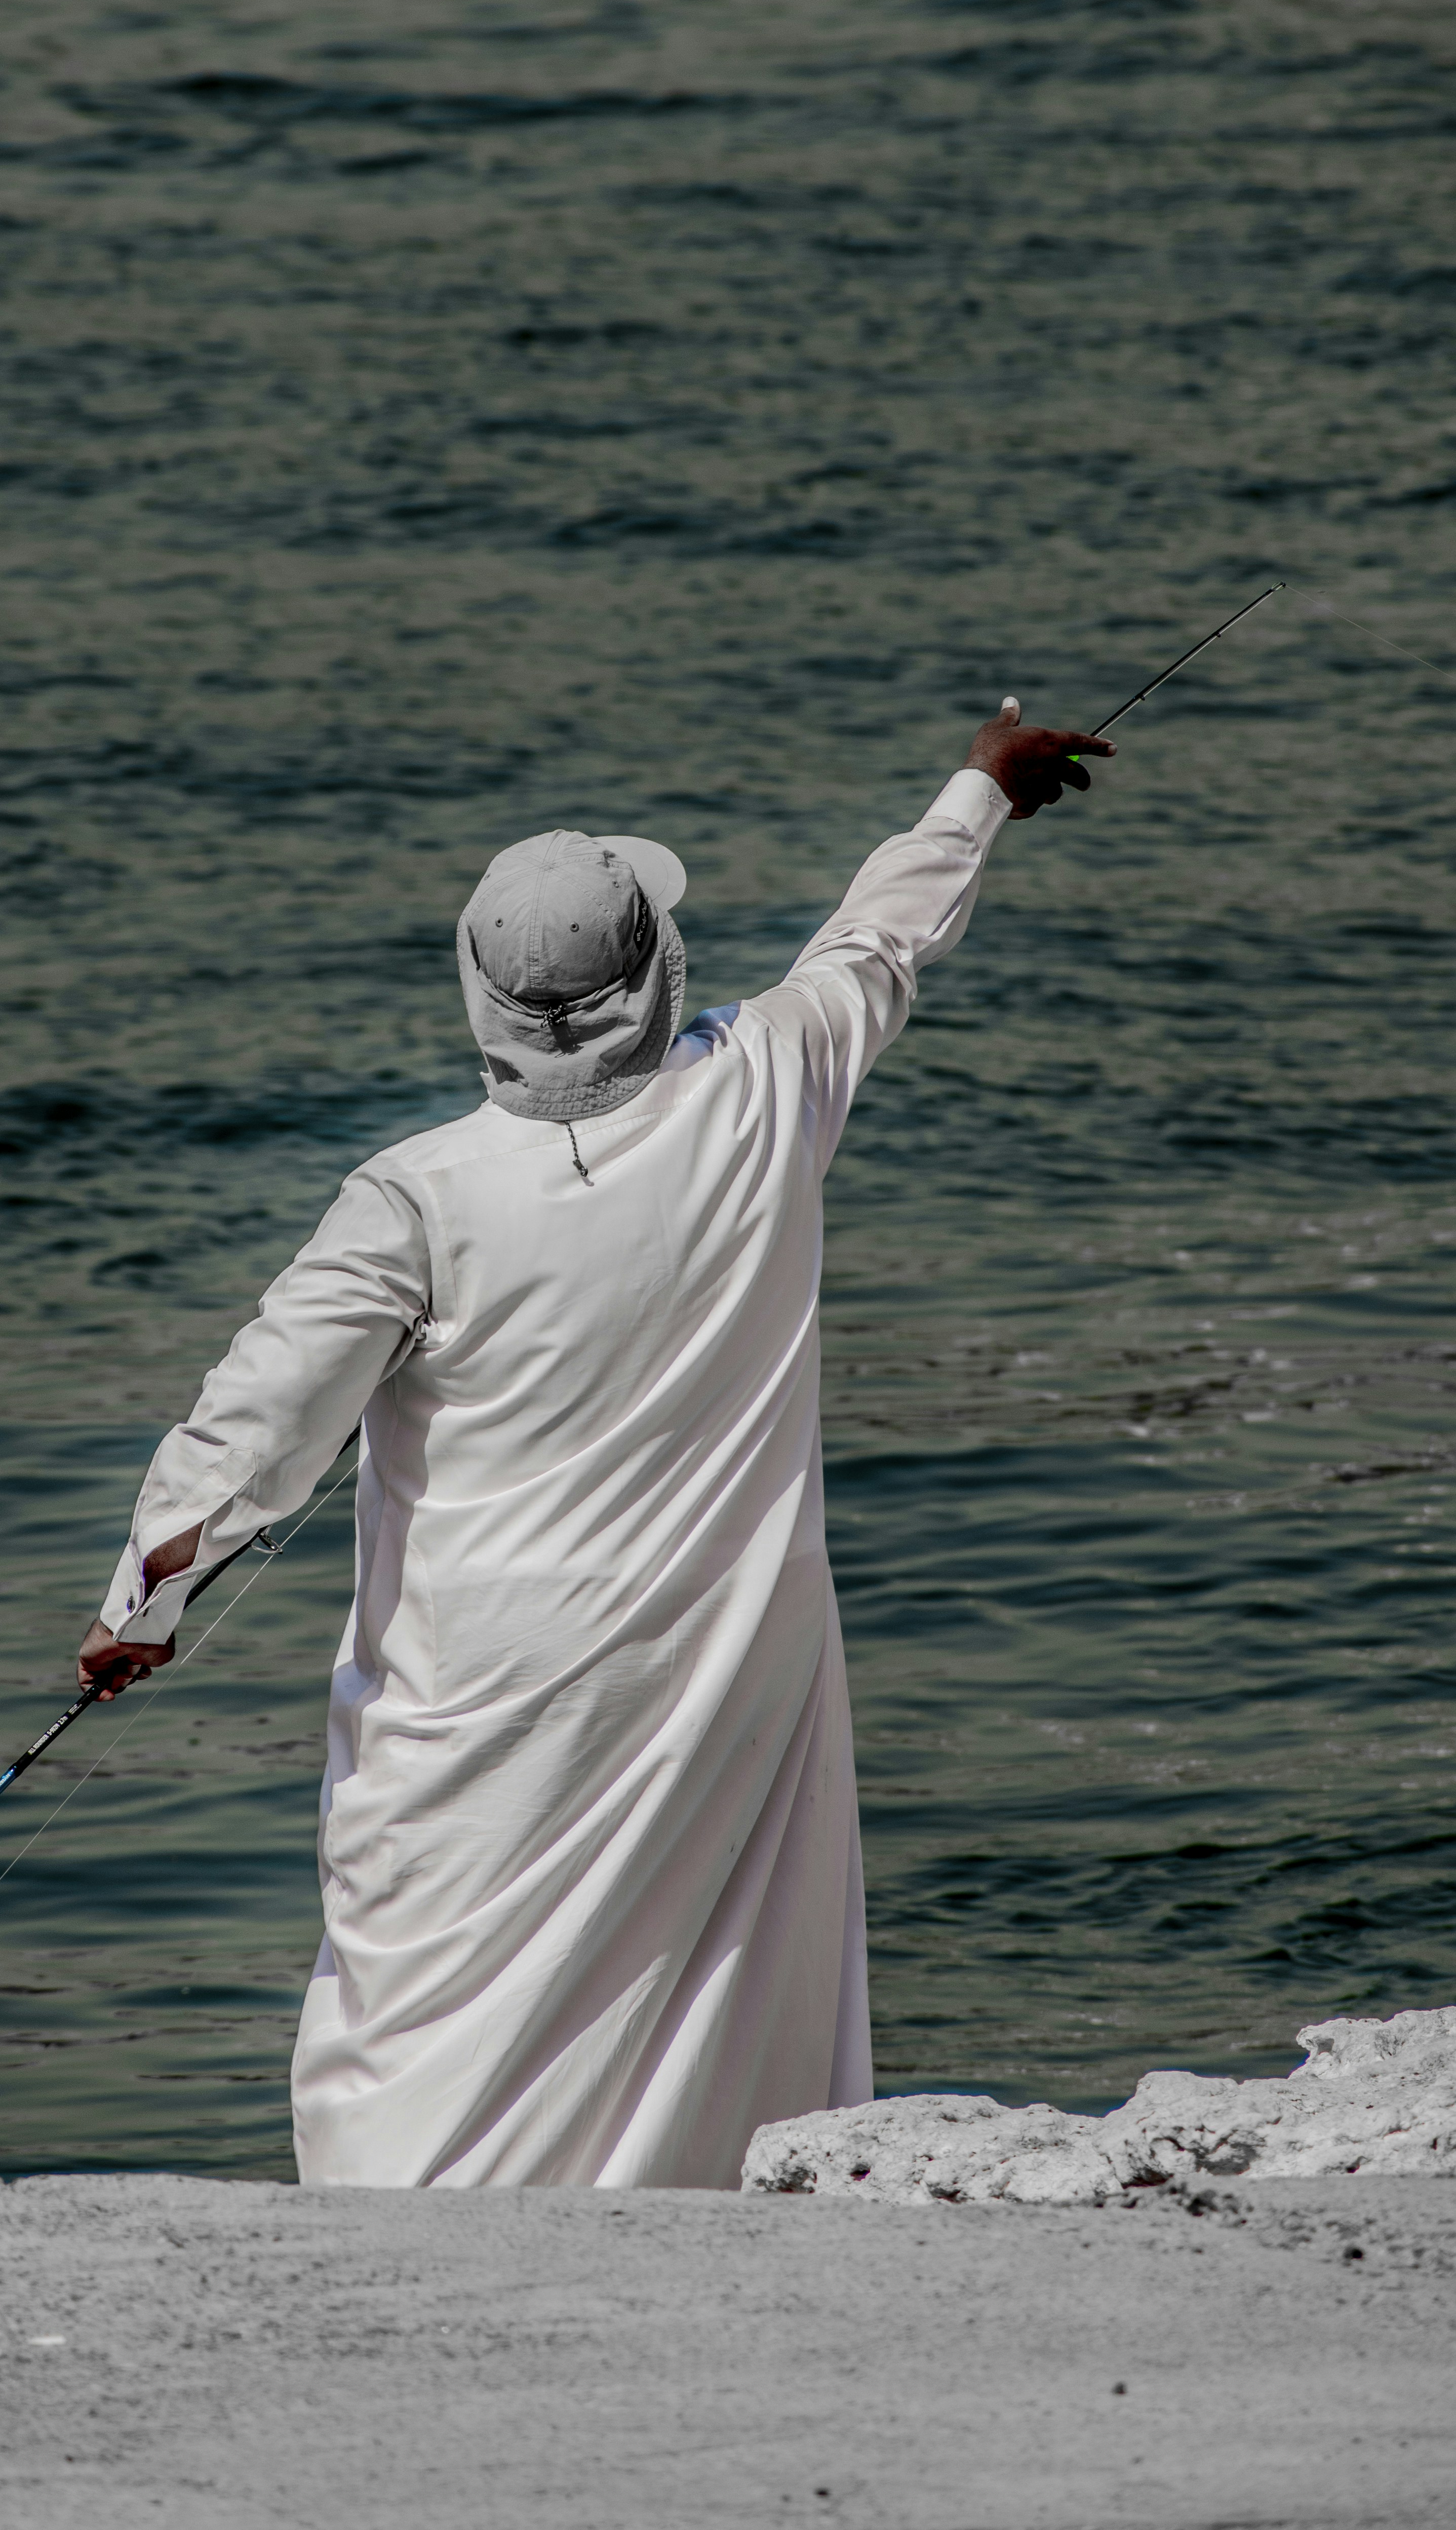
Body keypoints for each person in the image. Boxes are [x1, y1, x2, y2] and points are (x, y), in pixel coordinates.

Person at [78, 697, 1111, 2190]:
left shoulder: (412, 1196)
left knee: (422, 2003)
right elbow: (877, 940)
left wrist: (141, 1602)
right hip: (717, 1670)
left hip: (475, 1694)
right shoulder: (764, 1088)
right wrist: (981, 788)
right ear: (657, 968)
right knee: (723, 1982)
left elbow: (255, 1421)